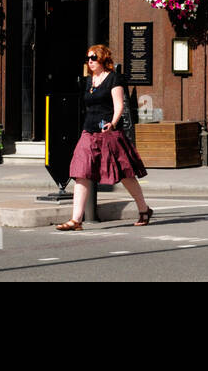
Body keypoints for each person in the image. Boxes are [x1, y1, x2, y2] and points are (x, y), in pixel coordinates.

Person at [56, 44, 154, 231]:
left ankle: (144, 209)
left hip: (108, 133)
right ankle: (76, 220)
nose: (90, 61)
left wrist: (113, 123)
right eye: (88, 58)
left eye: (94, 58)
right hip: (88, 131)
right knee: (80, 173)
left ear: (103, 59)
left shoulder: (114, 79)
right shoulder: (88, 81)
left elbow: (119, 106)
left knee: (125, 174)